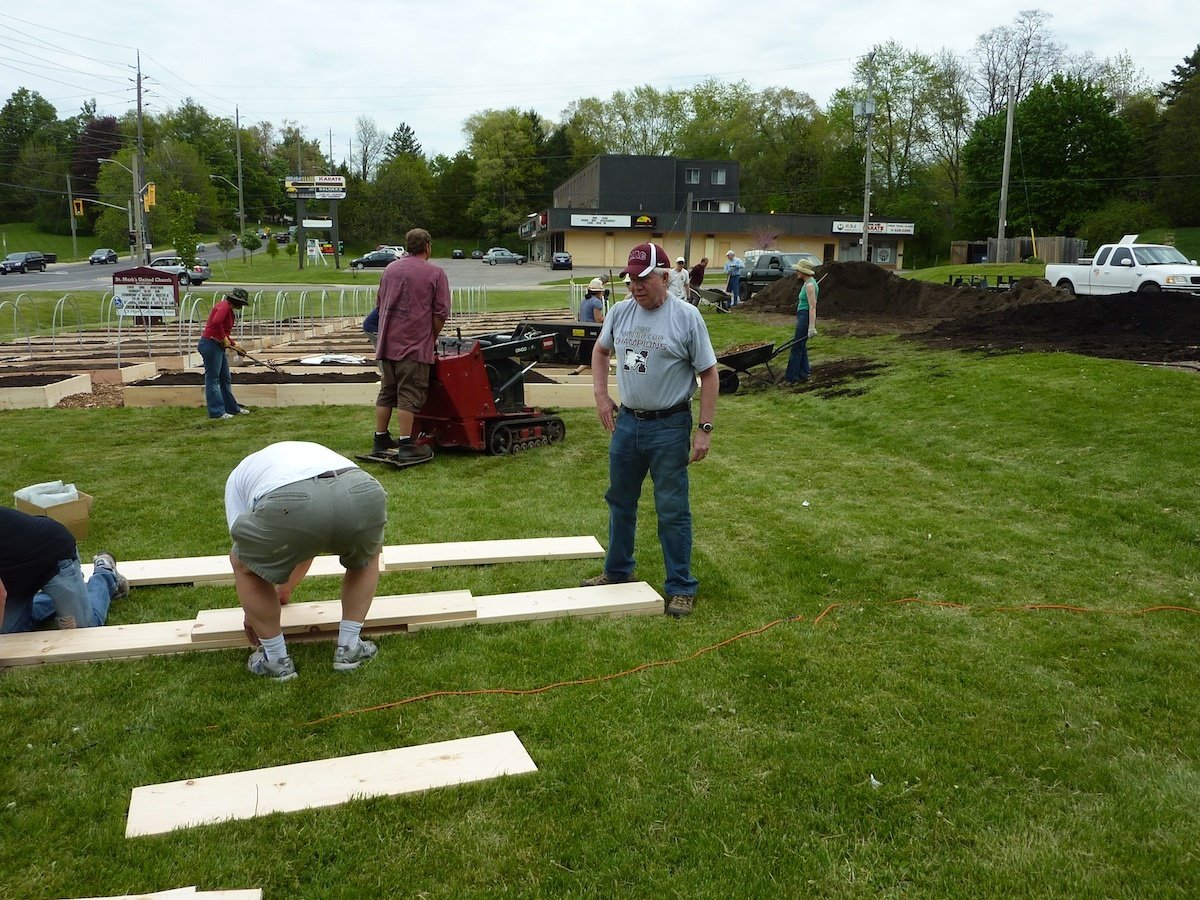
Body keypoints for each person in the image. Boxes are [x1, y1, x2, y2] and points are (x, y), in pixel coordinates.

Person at [583, 242, 718, 618]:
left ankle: (680, 587)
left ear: (665, 277)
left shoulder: (686, 317)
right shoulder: (620, 312)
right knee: (620, 500)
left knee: (672, 508)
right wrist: (601, 396)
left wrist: (704, 428)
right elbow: (600, 351)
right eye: (631, 279)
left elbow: (709, 374)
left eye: (643, 279)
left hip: (669, 426)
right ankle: (617, 571)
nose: (635, 287)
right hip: (628, 423)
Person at [225, 441, 388, 681]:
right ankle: (350, 647)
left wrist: (254, 612)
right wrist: (286, 587)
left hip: (289, 499)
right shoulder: (309, 453)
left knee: (244, 566)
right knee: (367, 556)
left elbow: (253, 560)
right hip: (361, 488)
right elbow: (310, 541)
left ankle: (275, 660)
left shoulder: (238, 479)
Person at [371, 227, 451, 464]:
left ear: (407, 246)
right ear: (427, 246)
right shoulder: (435, 273)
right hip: (413, 344)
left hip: (387, 342)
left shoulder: (390, 269)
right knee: (409, 392)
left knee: (387, 390)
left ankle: (380, 438)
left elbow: (379, 303)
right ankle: (407, 444)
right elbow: (441, 312)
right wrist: (430, 337)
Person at [0, 507, 129, 634]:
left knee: (81, 630)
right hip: (17, 574)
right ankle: (64, 594)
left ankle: (106, 573)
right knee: (6, 632)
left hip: (53, 557)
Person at [198, 286, 251, 420]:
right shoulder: (224, 306)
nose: (242, 306)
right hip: (210, 345)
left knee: (225, 378)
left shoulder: (229, 310)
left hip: (217, 345)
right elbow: (216, 322)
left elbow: (224, 332)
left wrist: (234, 345)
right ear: (237, 301)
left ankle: (231, 408)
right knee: (213, 379)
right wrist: (223, 338)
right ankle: (217, 412)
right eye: (242, 303)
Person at [784, 259, 819, 384]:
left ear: (804, 271)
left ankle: (791, 378)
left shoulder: (810, 285)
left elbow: (812, 307)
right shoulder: (807, 283)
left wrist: (811, 326)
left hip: (805, 316)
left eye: (798, 270)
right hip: (802, 315)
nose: (796, 272)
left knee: (796, 347)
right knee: (801, 346)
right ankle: (804, 373)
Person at [572, 277, 607, 375]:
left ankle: (577, 372)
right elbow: (598, 319)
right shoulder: (596, 302)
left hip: (584, 330)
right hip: (592, 332)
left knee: (587, 357)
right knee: (597, 354)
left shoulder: (584, 300)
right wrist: (609, 318)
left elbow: (580, 316)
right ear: (599, 292)